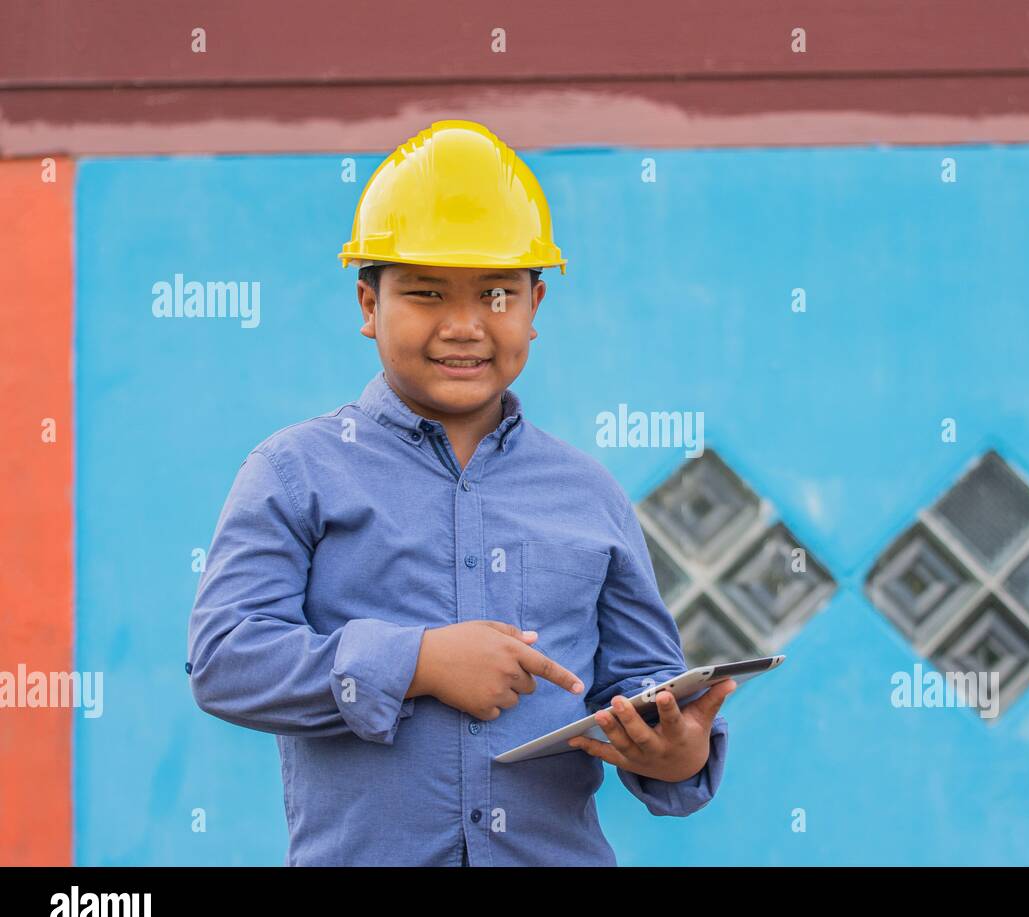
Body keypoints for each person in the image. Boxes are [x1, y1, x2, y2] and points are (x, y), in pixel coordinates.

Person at [187, 119, 735, 866]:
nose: (465, 325)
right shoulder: (297, 472)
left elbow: (640, 682)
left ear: (535, 307)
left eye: (497, 294)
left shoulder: (588, 493)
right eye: (426, 293)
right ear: (368, 305)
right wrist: (415, 663)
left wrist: (675, 747)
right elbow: (226, 659)